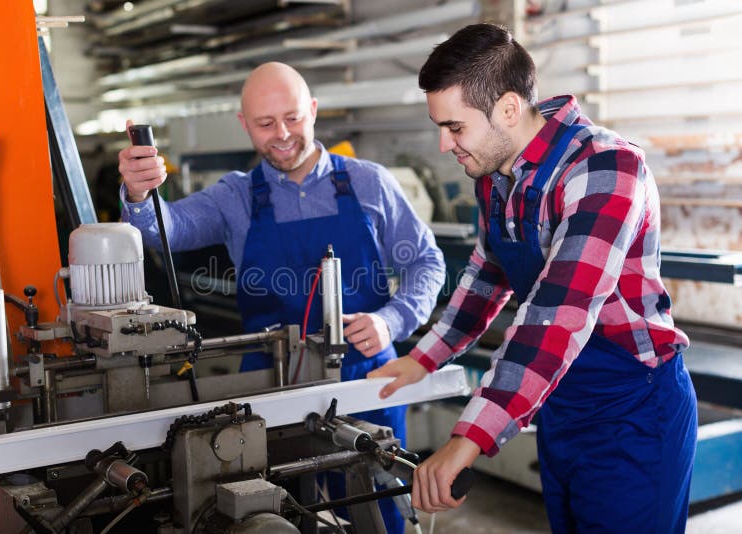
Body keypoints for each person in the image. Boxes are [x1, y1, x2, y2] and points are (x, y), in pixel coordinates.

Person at [369, 23, 698, 533]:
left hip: (632, 410)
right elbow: (485, 276)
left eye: (454, 127)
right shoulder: (496, 174)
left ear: (506, 108)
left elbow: (556, 317)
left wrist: (469, 437)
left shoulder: (605, 169)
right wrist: (421, 358)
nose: (443, 144)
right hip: (560, 403)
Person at [118, 61, 445, 534]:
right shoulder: (235, 197)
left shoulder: (368, 182)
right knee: (276, 515)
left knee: (380, 510)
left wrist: (392, 321)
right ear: (244, 125)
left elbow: (427, 264)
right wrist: (137, 191)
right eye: (266, 124)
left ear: (313, 110)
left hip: (367, 378)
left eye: (293, 118)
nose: (283, 134)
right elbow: (161, 228)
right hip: (271, 384)